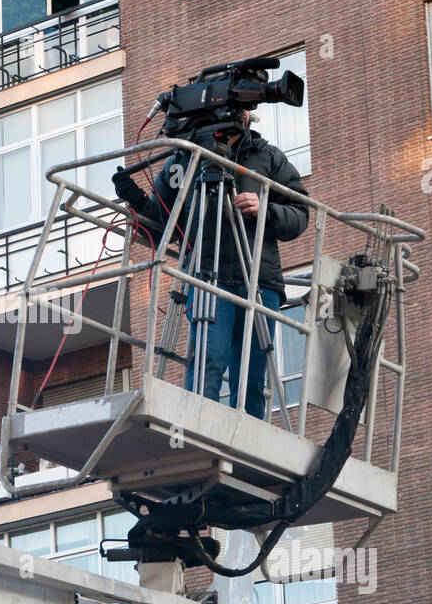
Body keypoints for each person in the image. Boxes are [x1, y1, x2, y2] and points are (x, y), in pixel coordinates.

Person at [112, 116, 309, 418]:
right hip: (207, 274)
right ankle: (198, 430)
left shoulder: (265, 155)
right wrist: (137, 199)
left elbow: (300, 213)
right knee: (208, 361)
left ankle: (248, 444)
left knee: (252, 373)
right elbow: (165, 227)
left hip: (258, 278)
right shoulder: (183, 158)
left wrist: (265, 209)